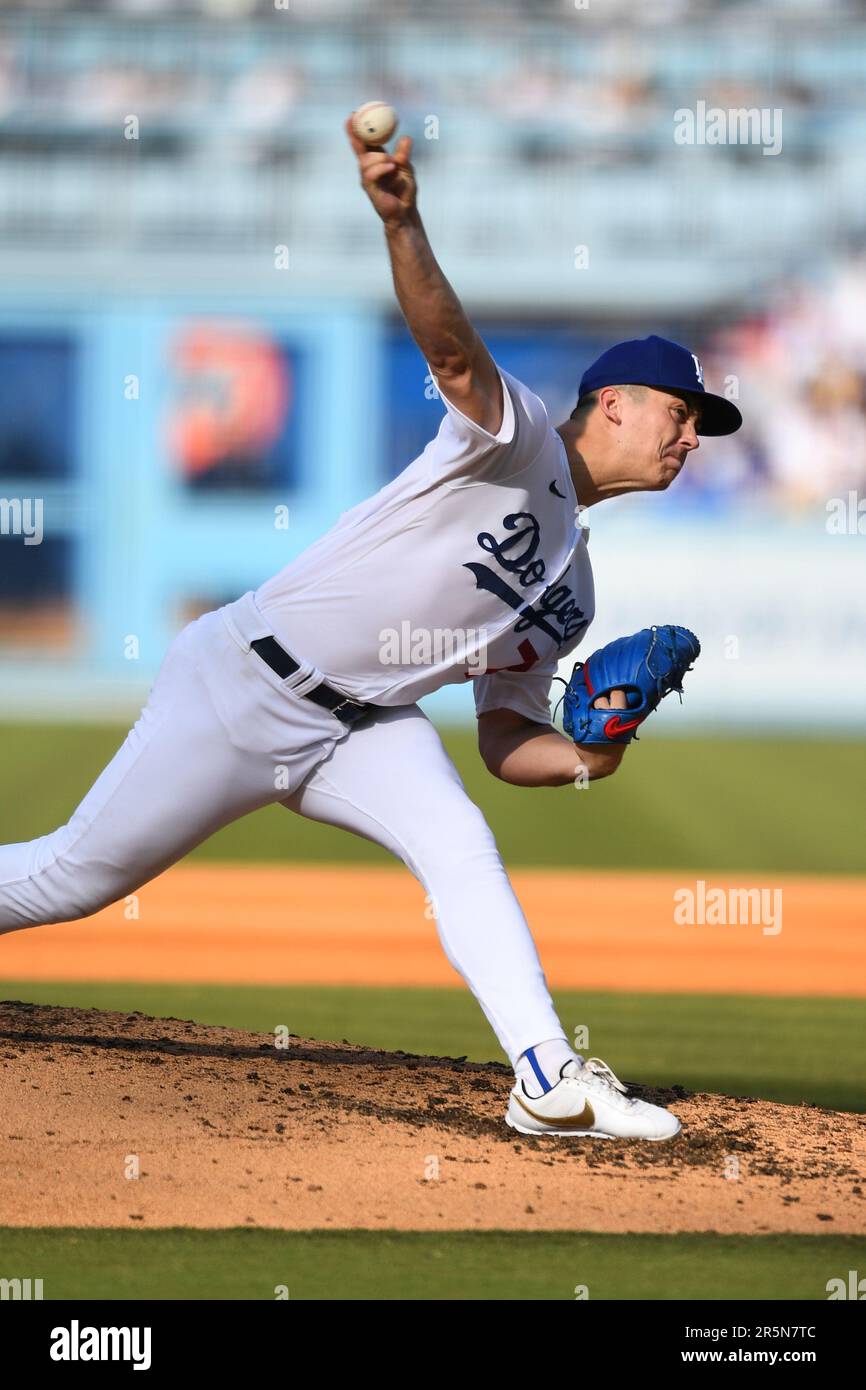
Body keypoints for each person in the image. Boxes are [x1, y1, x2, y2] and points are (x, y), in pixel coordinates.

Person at [0, 116, 742, 1142]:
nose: (691, 434)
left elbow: (500, 741)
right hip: (245, 681)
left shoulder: (574, 584)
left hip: (364, 725)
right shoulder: (513, 435)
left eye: (699, 421)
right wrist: (402, 219)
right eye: (680, 411)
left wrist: (591, 755)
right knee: (68, 878)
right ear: (609, 402)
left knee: (459, 842)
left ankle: (546, 1079)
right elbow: (446, 344)